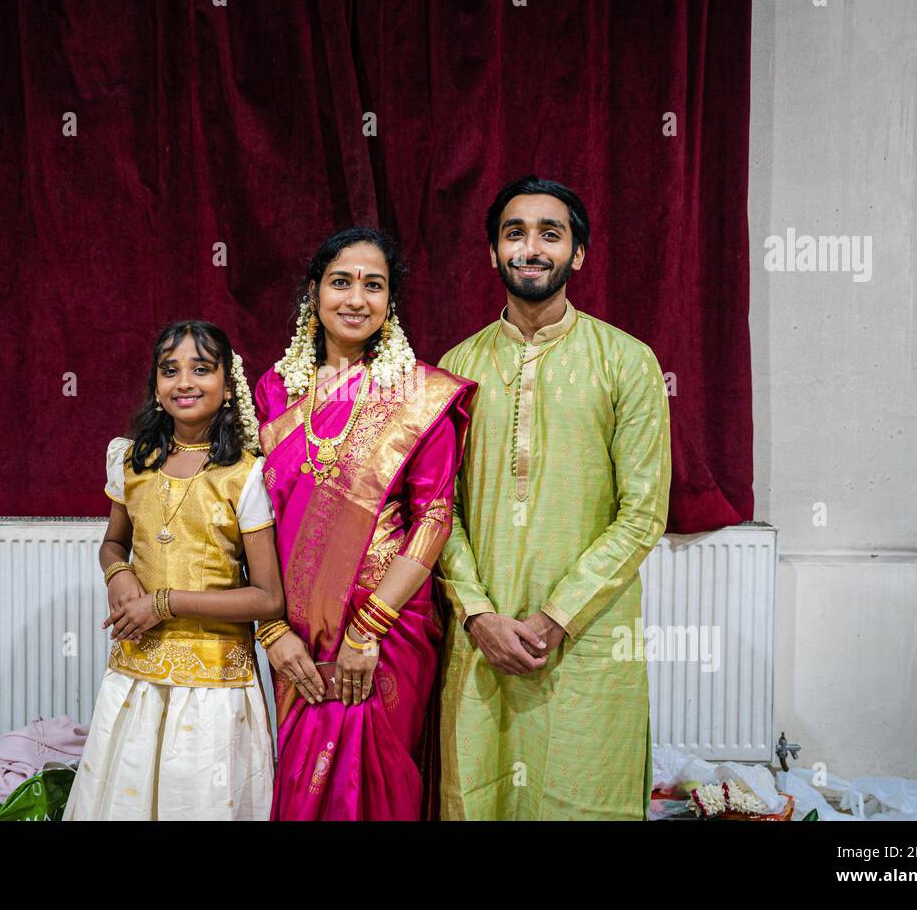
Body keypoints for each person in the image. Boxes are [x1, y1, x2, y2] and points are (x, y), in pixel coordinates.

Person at [435, 176, 672, 820]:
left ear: (579, 253)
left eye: (550, 233)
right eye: (515, 233)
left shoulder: (628, 362)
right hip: (481, 637)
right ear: (492, 252)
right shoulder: (453, 371)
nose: (531, 247)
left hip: (584, 638)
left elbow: (644, 512)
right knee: (480, 795)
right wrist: (480, 615)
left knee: (582, 793)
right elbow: (437, 512)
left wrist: (555, 618)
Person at [252, 227, 475, 820]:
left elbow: (434, 518)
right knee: (301, 789)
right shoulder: (274, 391)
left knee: (374, 788)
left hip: (387, 631)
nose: (356, 298)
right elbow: (250, 519)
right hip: (295, 633)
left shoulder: (418, 393)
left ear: (389, 303)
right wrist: (273, 632)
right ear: (313, 294)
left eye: (373, 286)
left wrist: (366, 629)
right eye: (340, 282)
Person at [63, 320, 284, 821]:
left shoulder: (246, 474)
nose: (184, 382)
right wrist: (117, 574)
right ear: (156, 387)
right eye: (170, 370)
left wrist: (164, 602)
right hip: (136, 677)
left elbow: (268, 598)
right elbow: (113, 543)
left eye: (201, 369)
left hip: (213, 688)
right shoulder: (131, 461)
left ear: (228, 386)